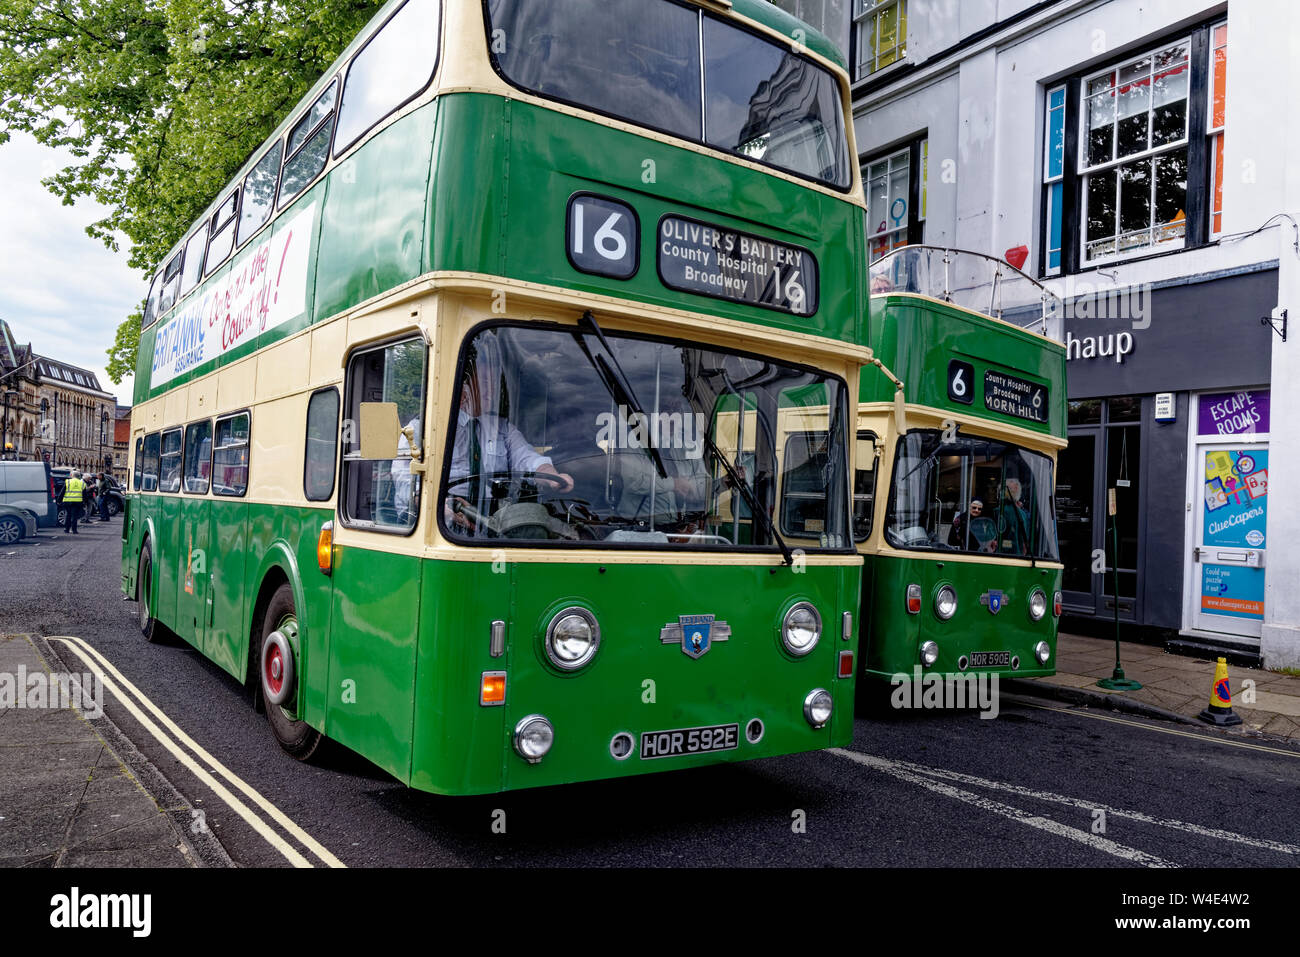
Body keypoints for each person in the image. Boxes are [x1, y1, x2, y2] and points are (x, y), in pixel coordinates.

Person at [446, 340, 573, 534]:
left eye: (495, 384)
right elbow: (407, 485)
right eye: (485, 383)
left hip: (495, 520)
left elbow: (526, 457)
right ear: (463, 386)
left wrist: (551, 475)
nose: (492, 392)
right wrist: (444, 509)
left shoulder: (502, 428)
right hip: (445, 522)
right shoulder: (427, 428)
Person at [62, 469, 85, 534]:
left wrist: (59, 500)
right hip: (77, 501)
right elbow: (84, 494)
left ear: (72, 475)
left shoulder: (68, 481)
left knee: (68, 515)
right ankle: (74, 530)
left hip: (68, 501)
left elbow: (63, 491)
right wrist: (84, 502)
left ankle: (66, 529)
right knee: (74, 516)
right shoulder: (82, 483)